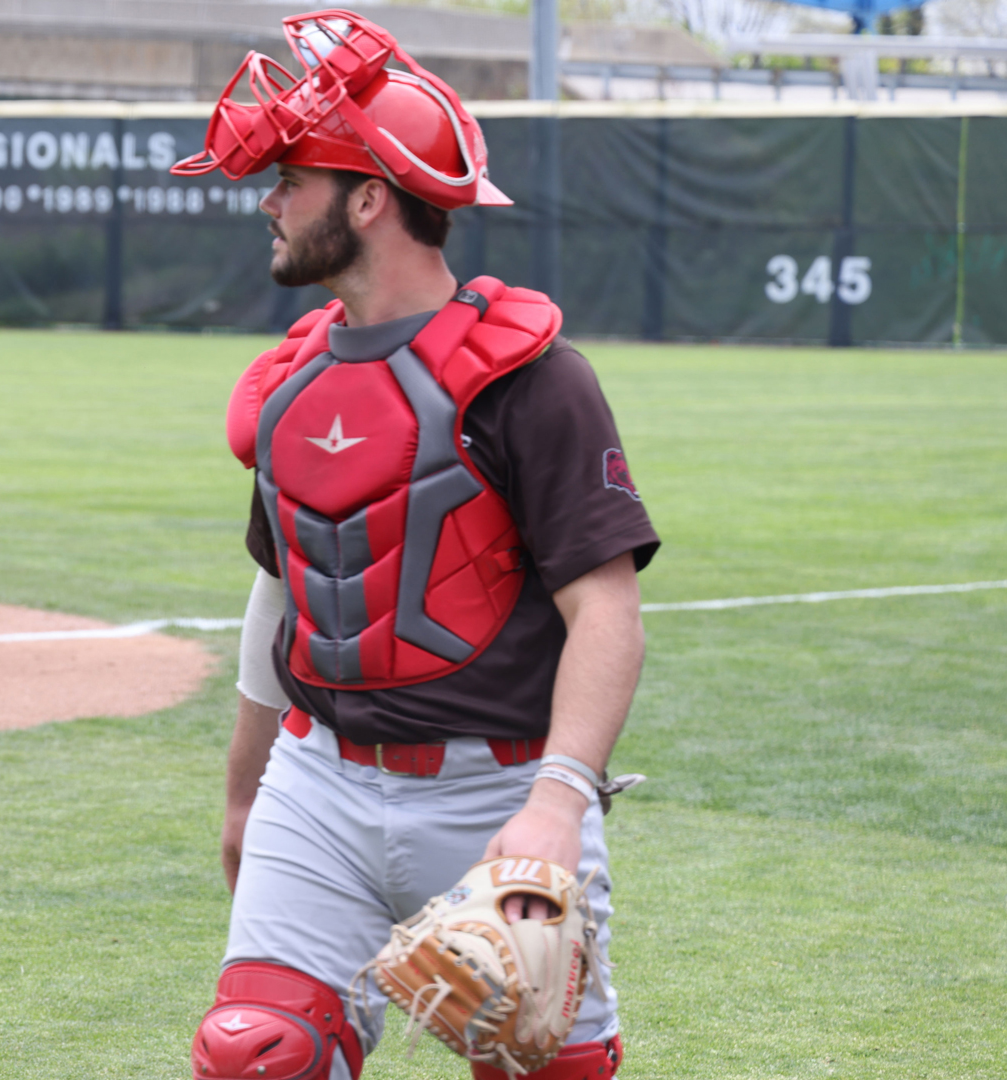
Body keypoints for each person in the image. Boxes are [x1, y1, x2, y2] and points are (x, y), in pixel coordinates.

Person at [170, 12, 658, 1080]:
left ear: (370, 198)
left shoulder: (531, 378)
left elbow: (606, 612)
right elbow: (280, 596)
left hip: (501, 790)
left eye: (293, 180)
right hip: (320, 783)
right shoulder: (290, 382)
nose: (270, 200)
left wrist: (557, 805)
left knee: (548, 1070)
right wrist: (247, 792)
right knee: (257, 1054)